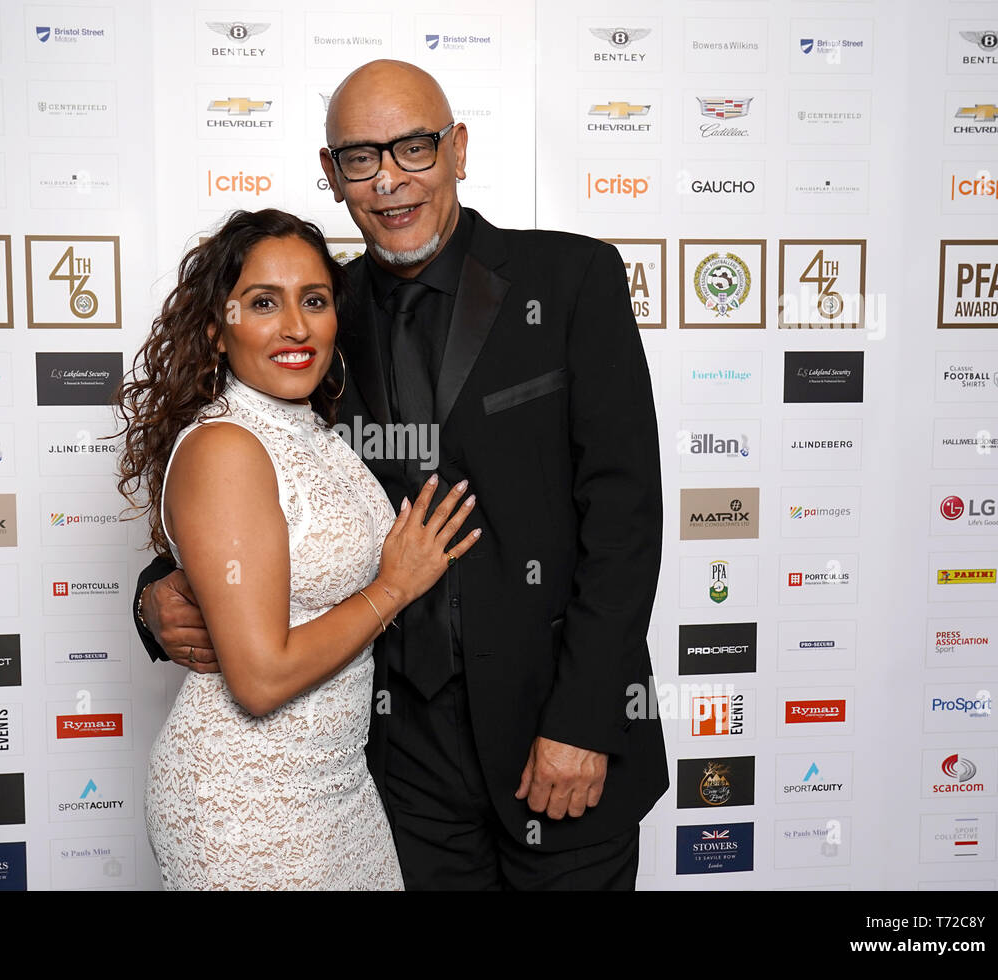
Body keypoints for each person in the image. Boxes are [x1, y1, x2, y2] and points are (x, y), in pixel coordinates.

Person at [133, 60, 668, 890]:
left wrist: (586, 719)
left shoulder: (571, 281)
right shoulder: (317, 309)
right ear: (331, 174)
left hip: (554, 739)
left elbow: (626, 521)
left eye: (413, 148)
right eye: (359, 157)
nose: (388, 179)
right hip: (397, 764)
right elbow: (247, 466)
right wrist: (158, 590)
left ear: (457, 148)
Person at [116, 208, 480, 889]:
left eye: (314, 301)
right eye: (262, 303)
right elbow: (259, 680)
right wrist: (394, 587)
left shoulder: (313, 427)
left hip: (340, 789)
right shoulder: (227, 445)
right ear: (215, 332)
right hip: (245, 803)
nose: (295, 327)